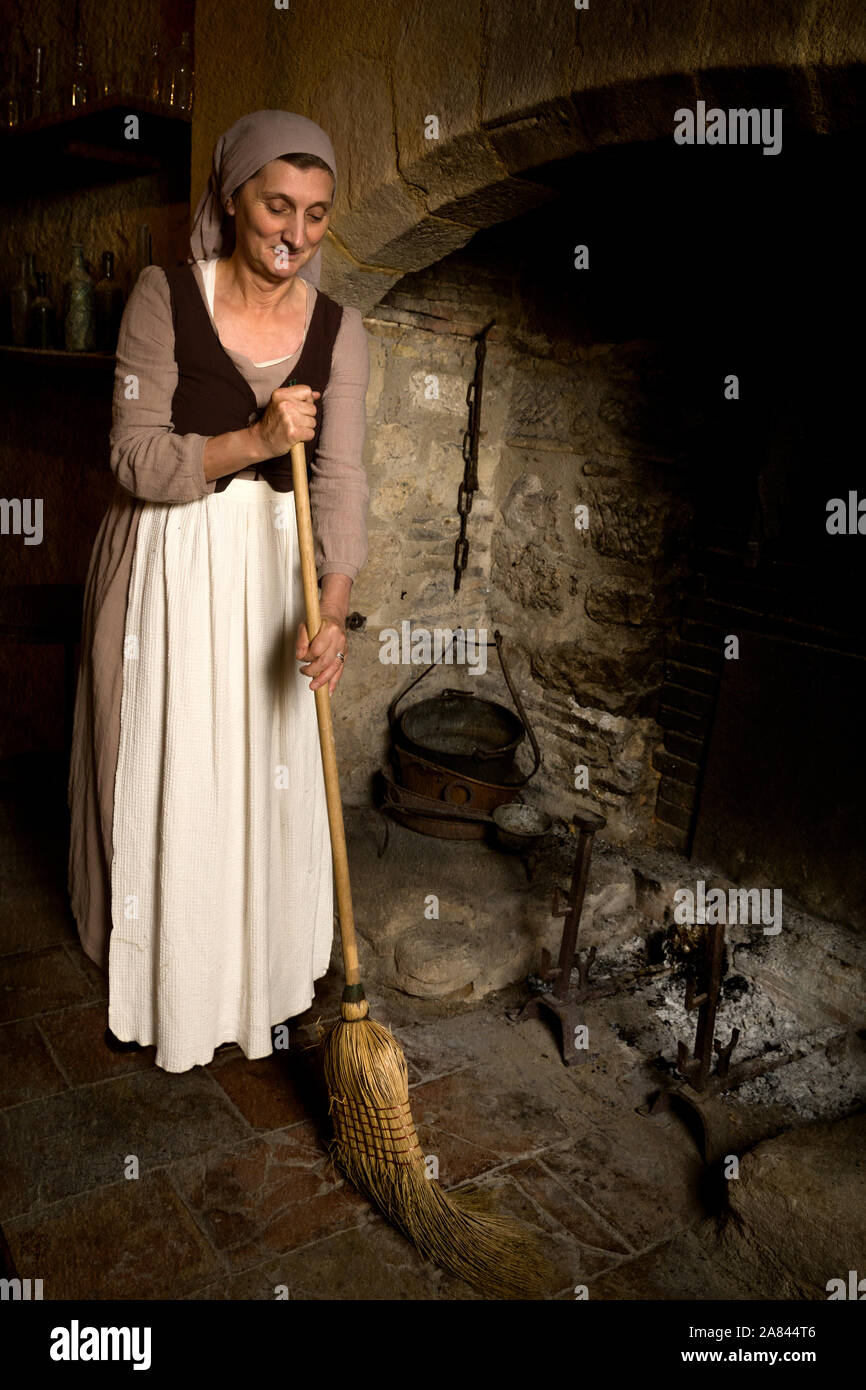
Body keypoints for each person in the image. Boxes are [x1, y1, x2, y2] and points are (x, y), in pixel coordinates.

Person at [66, 110, 370, 1072]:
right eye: (277, 205)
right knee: (174, 769)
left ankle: (256, 976)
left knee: (258, 775)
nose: (296, 233)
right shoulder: (164, 297)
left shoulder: (340, 331)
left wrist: (333, 607)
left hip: (271, 581)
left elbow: (343, 480)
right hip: (171, 567)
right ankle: (174, 979)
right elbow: (131, 453)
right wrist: (253, 439)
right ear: (232, 198)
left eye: (317, 214)